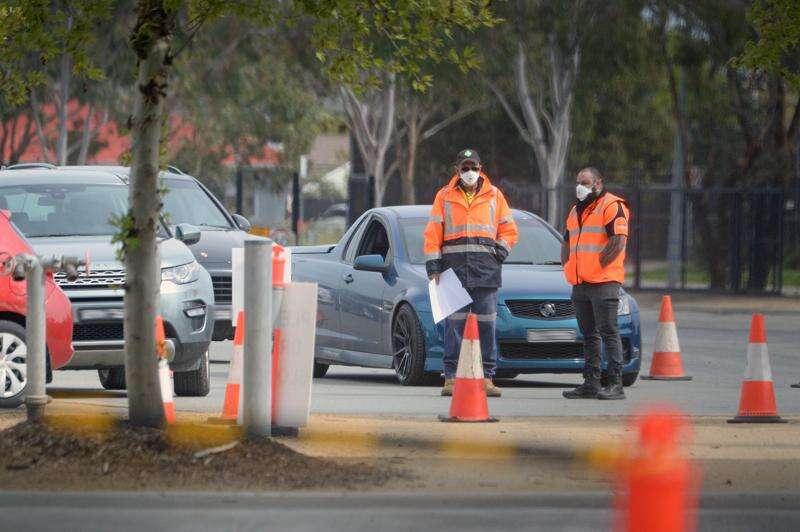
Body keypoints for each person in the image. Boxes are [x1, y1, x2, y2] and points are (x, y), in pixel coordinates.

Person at [423, 149, 519, 397]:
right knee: (453, 326)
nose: (469, 172)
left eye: (473, 167)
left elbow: (509, 230)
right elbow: (433, 234)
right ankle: (451, 378)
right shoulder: (443, 196)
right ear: (457, 169)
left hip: (485, 272)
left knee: (487, 325)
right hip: (452, 272)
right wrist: (434, 267)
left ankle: (487, 377)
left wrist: (499, 253)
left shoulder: (494, 196)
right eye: (464, 167)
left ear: (480, 168)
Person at [561, 167, 630, 400]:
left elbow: (618, 241)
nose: (579, 186)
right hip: (580, 282)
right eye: (578, 182)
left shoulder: (612, 205)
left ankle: (615, 384)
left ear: (598, 183)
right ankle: (590, 383)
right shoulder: (575, 210)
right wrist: (568, 265)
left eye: (585, 182)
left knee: (609, 331)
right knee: (589, 334)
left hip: (603, 281)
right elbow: (567, 240)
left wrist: (598, 265)